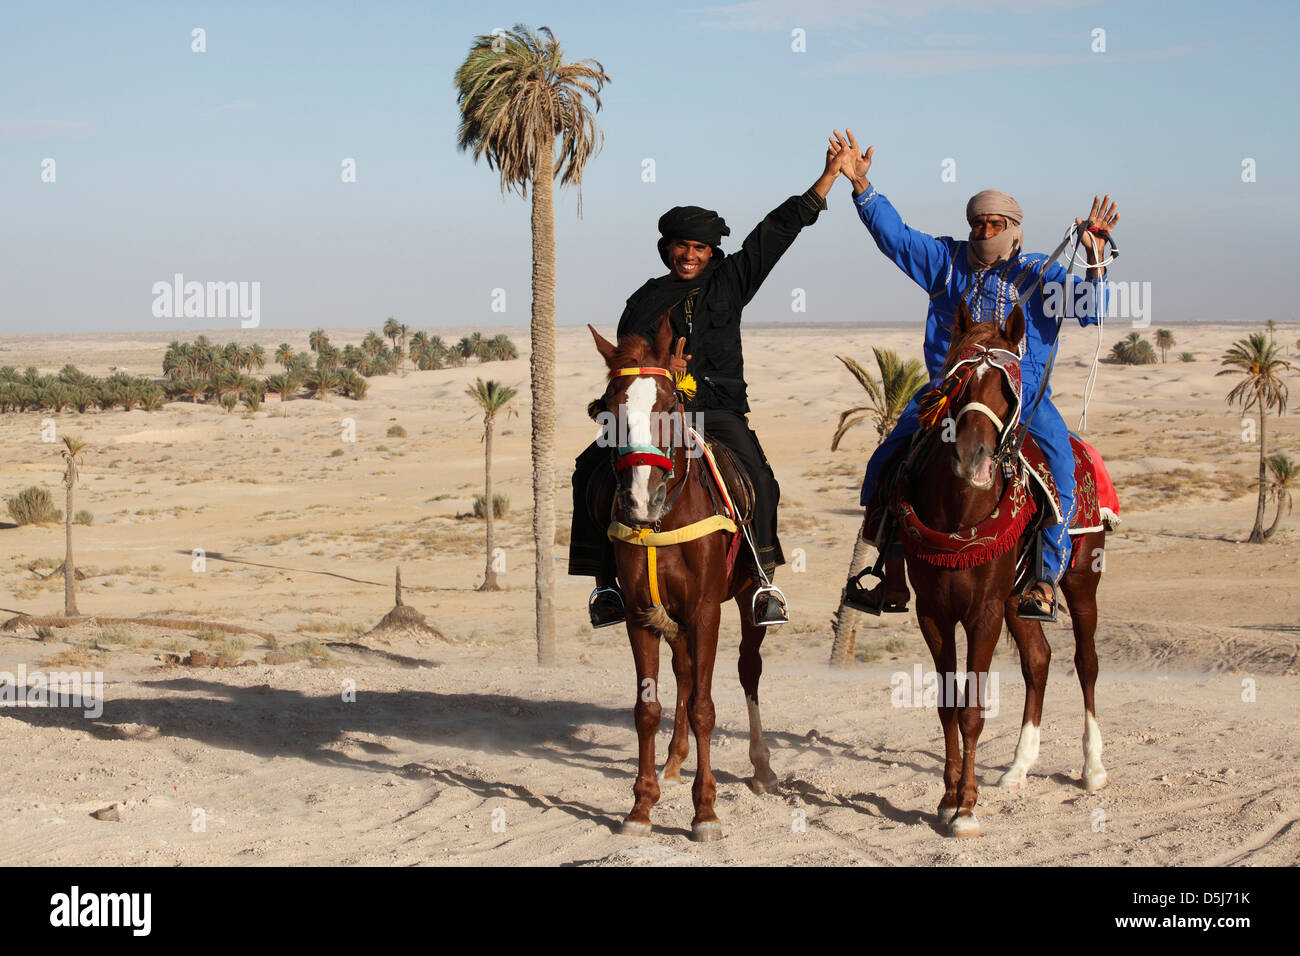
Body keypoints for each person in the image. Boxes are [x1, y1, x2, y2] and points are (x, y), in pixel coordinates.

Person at [831, 129, 1119, 621]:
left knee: (1063, 475)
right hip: (948, 397)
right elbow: (896, 237)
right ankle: (887, 572)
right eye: (979, 224)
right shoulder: (945, 262)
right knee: (886, 462)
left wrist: (1094, 258)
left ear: (1014, 229)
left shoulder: (1039, 274)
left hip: (1021, 402)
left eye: (996, 223)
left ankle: (1045, 581)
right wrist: (862, 188)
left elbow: (1090, 310)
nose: (985, 232)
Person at [569, 143, 845, 628]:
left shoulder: (732, 279)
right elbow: (628, 363)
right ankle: (606, 585)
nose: (690, 255)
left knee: (761, 479)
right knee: (587, 469)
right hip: (656, 415)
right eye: (682, 247)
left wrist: (827, 179)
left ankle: (762, 578)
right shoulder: (644, 299)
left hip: (717, 410)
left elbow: (776, 232)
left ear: (711, 251)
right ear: (667, 250)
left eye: (700, 248)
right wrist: (659, 378)